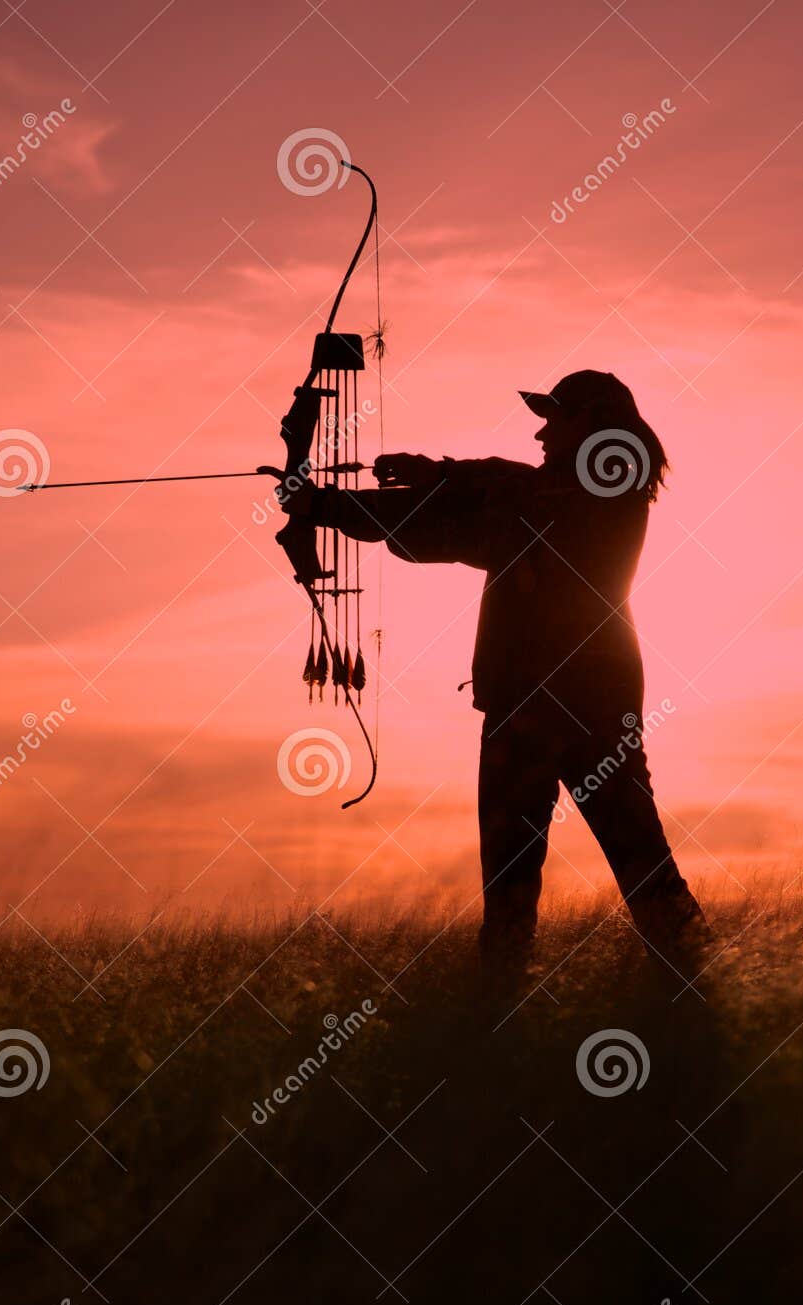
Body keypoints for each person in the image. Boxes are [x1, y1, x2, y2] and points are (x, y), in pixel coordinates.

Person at [283, 369, 708, 977]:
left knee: (638, 865)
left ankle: (695, 991)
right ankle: (506, 1013)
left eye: (553, 418)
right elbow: (501, 492)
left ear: (589, 421)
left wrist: (335, 506)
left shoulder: (608, 483)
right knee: (518, 883)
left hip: (570, 703)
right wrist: (435, 477)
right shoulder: (561, 490)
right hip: (545, 702)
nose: (540, 432)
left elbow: (482, 522)